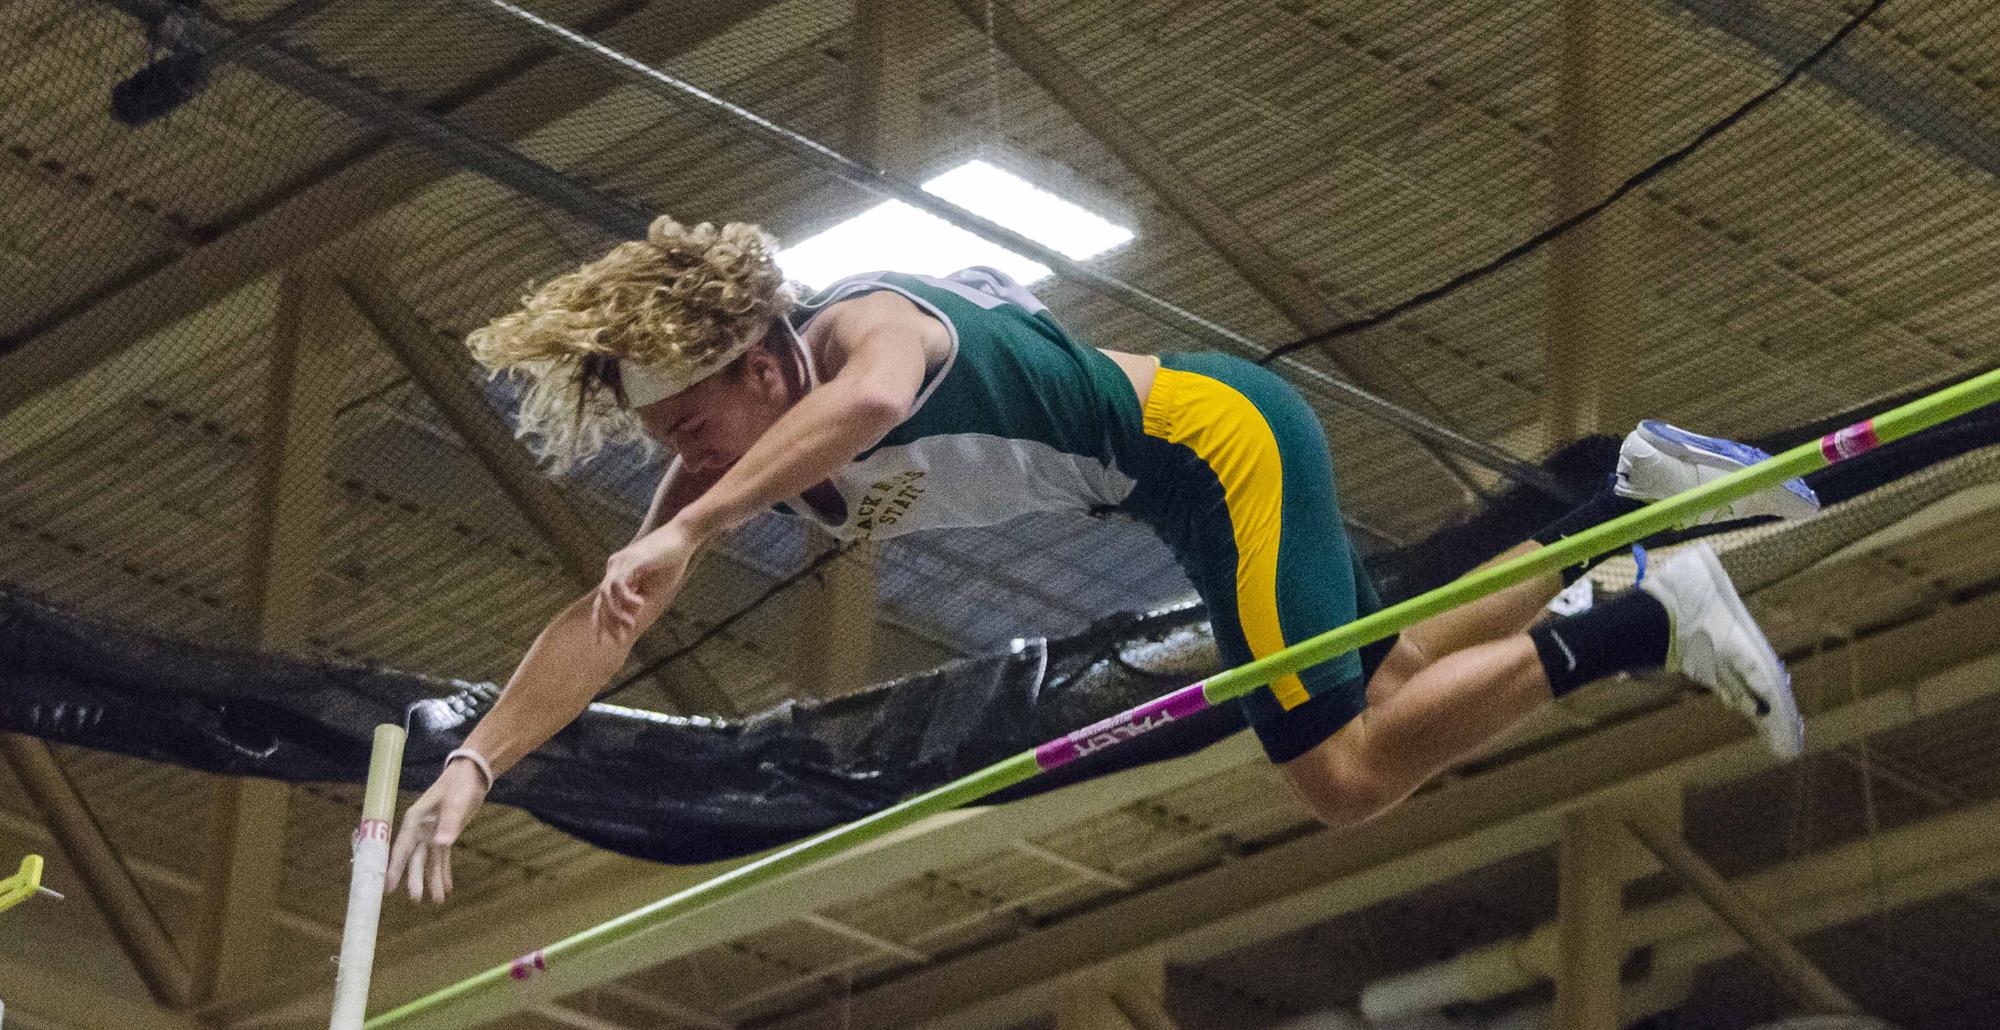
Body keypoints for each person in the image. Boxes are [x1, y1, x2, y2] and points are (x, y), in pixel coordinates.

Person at [386, 217, 1818, 902]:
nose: (685, 463)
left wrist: (695, 524)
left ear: (764, 360)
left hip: (1219, 443)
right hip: (1183, 495)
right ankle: (1617, 509)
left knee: (1341, 773)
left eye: (697, 427)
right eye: (673, 451)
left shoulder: (873, 321)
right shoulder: (729, 455)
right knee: (1393, 670)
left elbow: (878, 407)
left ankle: (1633, 617)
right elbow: (607, 615)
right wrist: (480, 763)